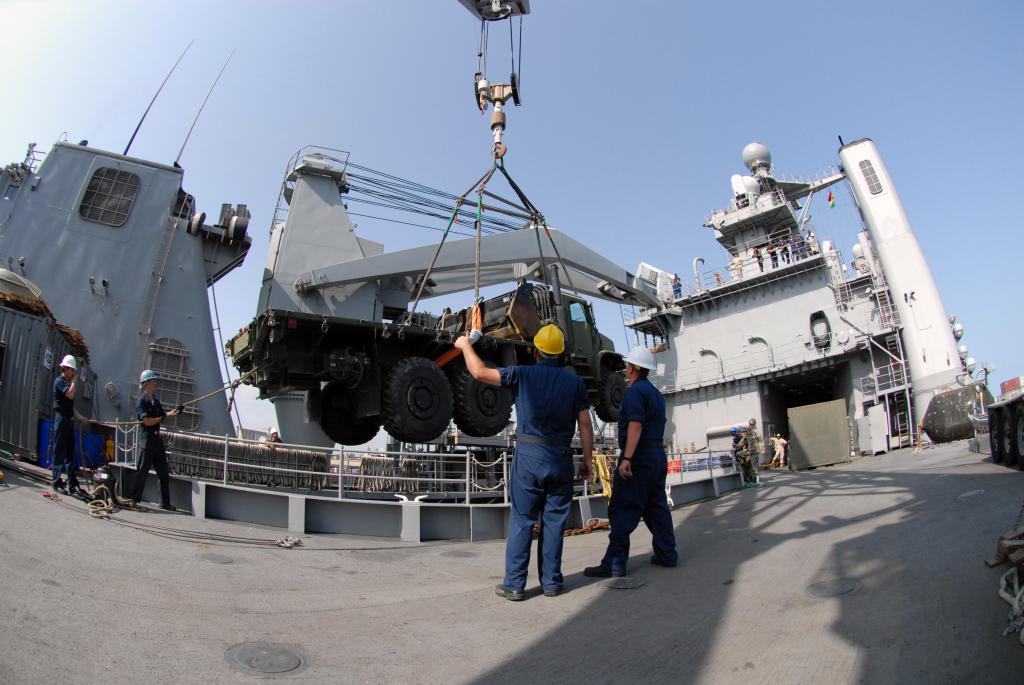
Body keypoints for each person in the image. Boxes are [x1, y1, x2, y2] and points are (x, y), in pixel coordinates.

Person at [455, 324, 593, 600]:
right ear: (561, 352)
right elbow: (586, 424)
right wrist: (587, 460)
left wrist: (465, 346)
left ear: (535, 351)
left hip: (530, 456)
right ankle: (552, 583)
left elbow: (479, 372)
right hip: (560, 458)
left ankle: (515, 585)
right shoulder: (574, 383)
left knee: (523, 520)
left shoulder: (522, 374)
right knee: (554, 523)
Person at [584, 346, 677, 578]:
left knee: (623, 508)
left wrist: (626, 459)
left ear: (633, 368)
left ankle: (614, 563)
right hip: (657, 457)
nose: (625, 369)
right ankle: (667, 554)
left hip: (639, 459)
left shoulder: (635, 393)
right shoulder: (656, 394)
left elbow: (635, 425)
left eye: (628, 365)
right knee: (656, 508)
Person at [130, 369, 182, 510]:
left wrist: (175, 412)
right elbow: (146, 421)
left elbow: (163, 416)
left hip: (156, 441)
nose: (155, 383)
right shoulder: (142, 401)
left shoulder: (155, 401)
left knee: (163, 473)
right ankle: (134, 500)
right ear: (147, 383)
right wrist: (161, 418)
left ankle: (165, 503)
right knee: (142, 470)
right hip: (146, 441)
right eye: (153, 381)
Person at [51, 355, 87, 496]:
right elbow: (70, 395)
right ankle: (56, 481)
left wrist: (80, 417)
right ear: (66, 369)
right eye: (72, 370)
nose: (73, 373)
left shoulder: (66, 382)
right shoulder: (60, 382)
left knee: (70, 454)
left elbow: (70, 406)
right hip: (62, 421)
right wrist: (74, 382)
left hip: (69, 421)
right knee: (59, 451)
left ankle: (72, 483)